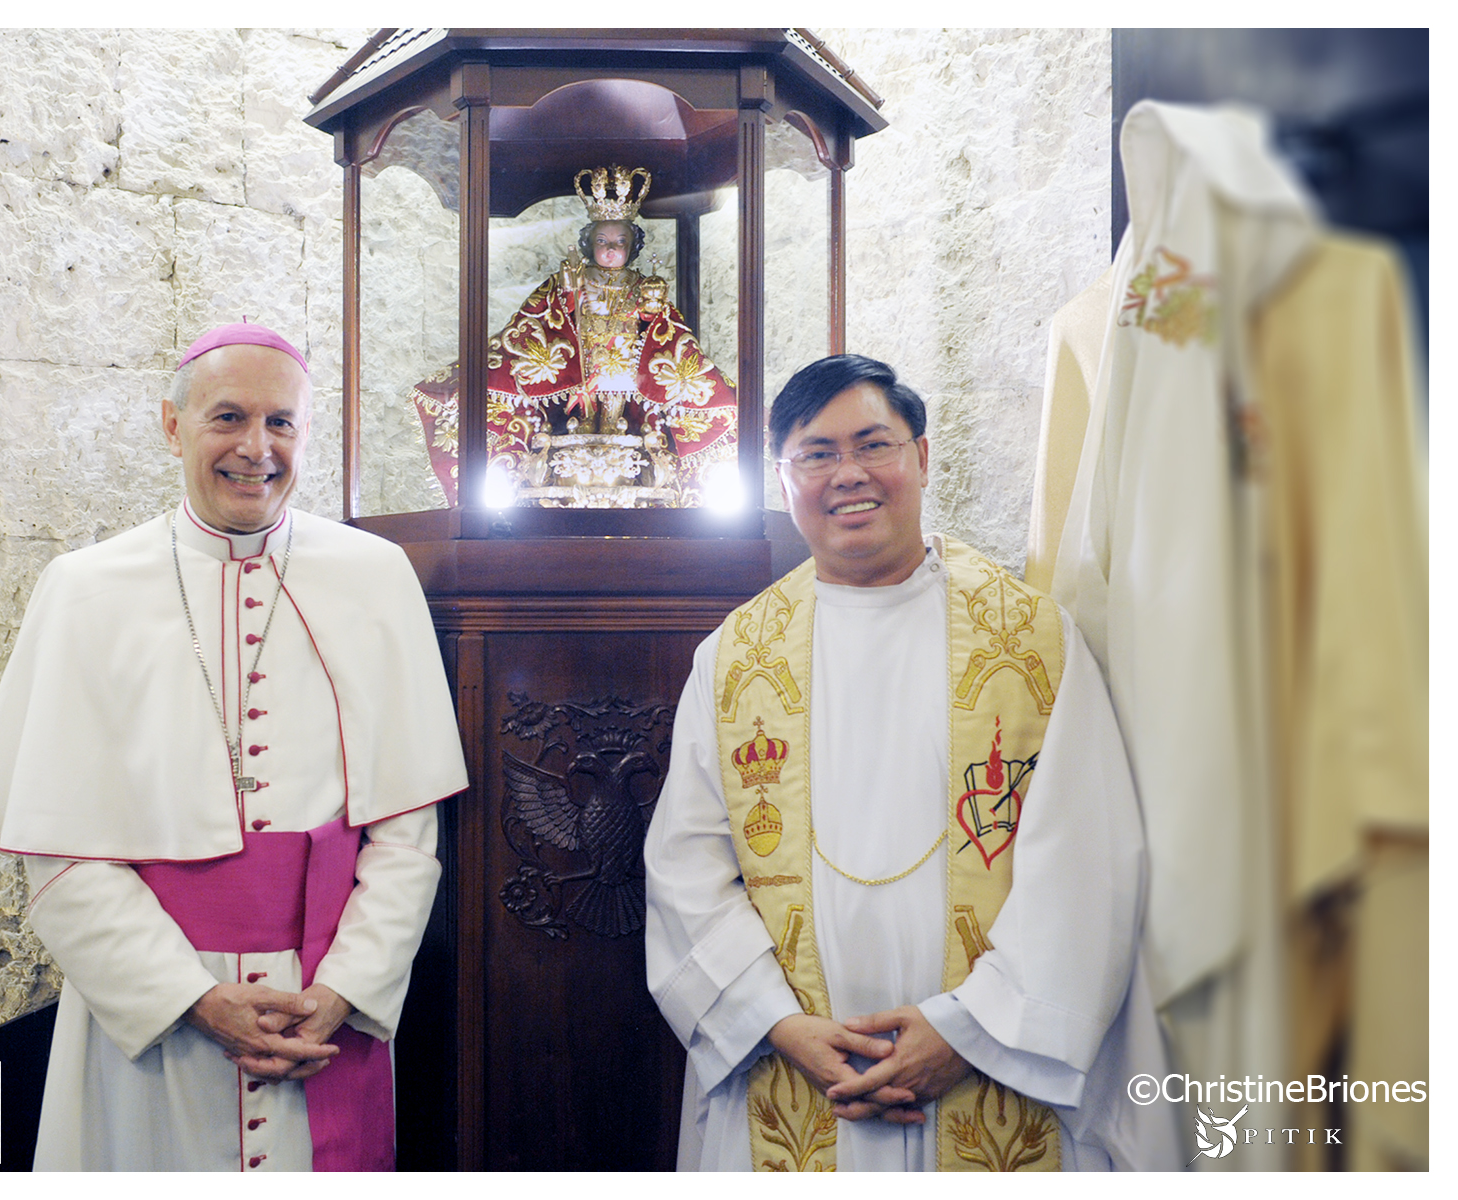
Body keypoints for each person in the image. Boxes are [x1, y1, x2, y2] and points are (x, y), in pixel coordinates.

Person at [644, 354, 1180, 1171]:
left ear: (923, 458)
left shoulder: (1030, 642)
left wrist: (967, 1031)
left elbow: (1090, 862)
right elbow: (685, 868)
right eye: (816, 454)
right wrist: (777, 1024)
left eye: (873, 445)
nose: (847, 475)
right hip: (792, 1072)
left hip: (988, 1067)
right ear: (782, 477)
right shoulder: (734, 660)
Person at [0, 322, 467, 1171]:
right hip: (152, 1027)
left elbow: (406, 834)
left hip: (322, 1013)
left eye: (281, 423)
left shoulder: (376, 577)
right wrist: (190, 998)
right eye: (227, 417)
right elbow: (61, 859)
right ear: (172, 425)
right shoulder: (85, 592)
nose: (255, 448)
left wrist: (342, 992)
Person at [410, 164, 737, 506]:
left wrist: (650, 312)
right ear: (588, 243)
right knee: (578, 419)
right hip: (578, 373)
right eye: (602, 241)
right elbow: (537, 324)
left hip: (628, 372)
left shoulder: (643, 286)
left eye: (620, 242)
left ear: (633, 246)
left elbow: (669, 335)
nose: (611, 249)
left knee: (619, 421)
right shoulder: (567, 281)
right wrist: (567, 296)